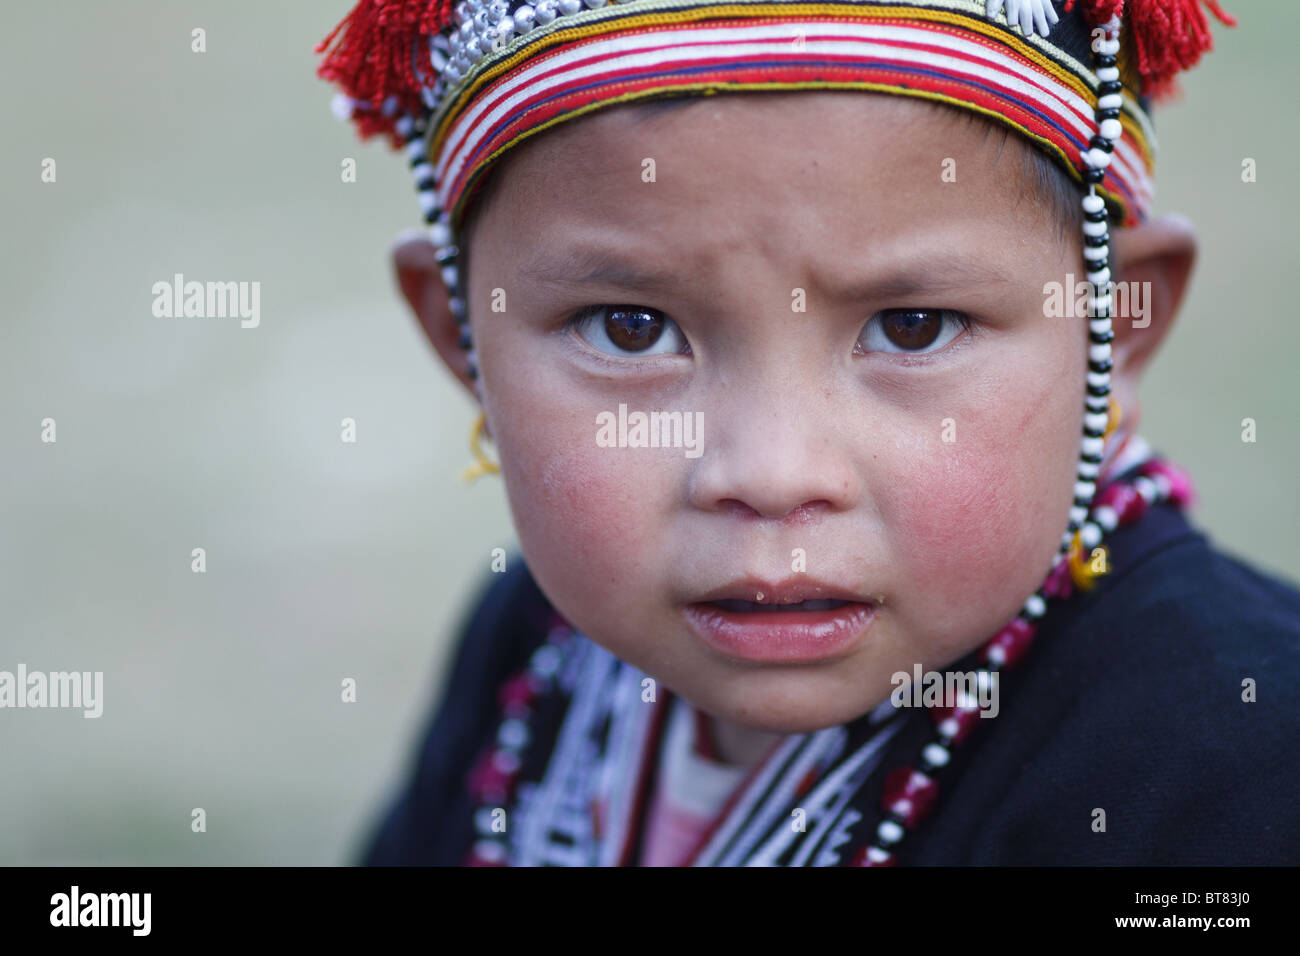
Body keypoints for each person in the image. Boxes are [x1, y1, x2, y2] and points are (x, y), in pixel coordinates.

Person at [317, 0, 1300, 865]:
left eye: (911, 327)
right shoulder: (538, 646)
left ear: (1116, 321)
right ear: (461, 336)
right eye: (631, 328)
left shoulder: (1239, 759)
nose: (772, 472)